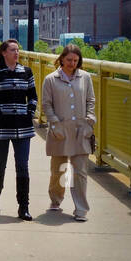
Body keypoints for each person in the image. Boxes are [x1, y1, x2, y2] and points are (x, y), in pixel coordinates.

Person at [0, 38, 38, 220]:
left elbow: (33, 97)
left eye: (18, 50)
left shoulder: (27, 72)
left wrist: (29, 112)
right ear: (4, 53)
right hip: (1, 125)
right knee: (0, 165)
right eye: (13, 50)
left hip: (23, 126)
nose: (16, 53)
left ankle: (24, 207)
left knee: (22, 166)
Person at [41, 43, 96, 221]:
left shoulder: (85, 78)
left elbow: (90, 100)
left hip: (81, 130)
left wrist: (90, 119)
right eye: (69, 60)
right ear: (61, 59)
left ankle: (81, 209)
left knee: (80, 172)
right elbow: (46, 104)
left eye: (75, 60)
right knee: (59, 170)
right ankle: (56, 199)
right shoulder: (51, 79)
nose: (72, 63)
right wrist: (54, 122)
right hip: (60, 129)